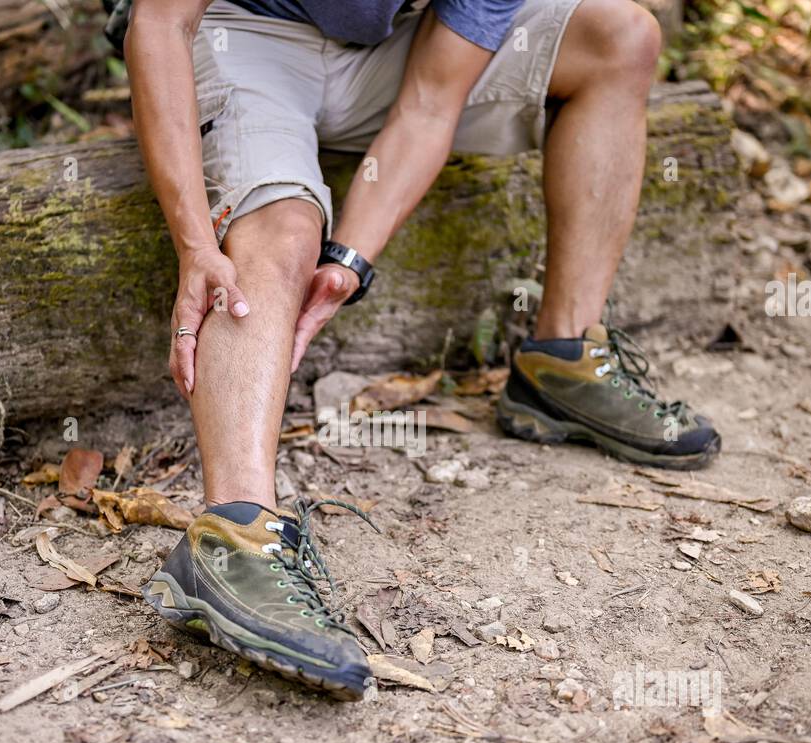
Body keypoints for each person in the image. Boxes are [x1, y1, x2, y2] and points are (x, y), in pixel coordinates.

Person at [127, 0, 721, 699]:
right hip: (242, 33)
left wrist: (350, 257)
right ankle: (234, 539)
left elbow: (430, 102)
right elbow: (161, 20)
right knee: (284, 232)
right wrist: (197, 243)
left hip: (390, 55)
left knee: (621, 37)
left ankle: (561, 359)